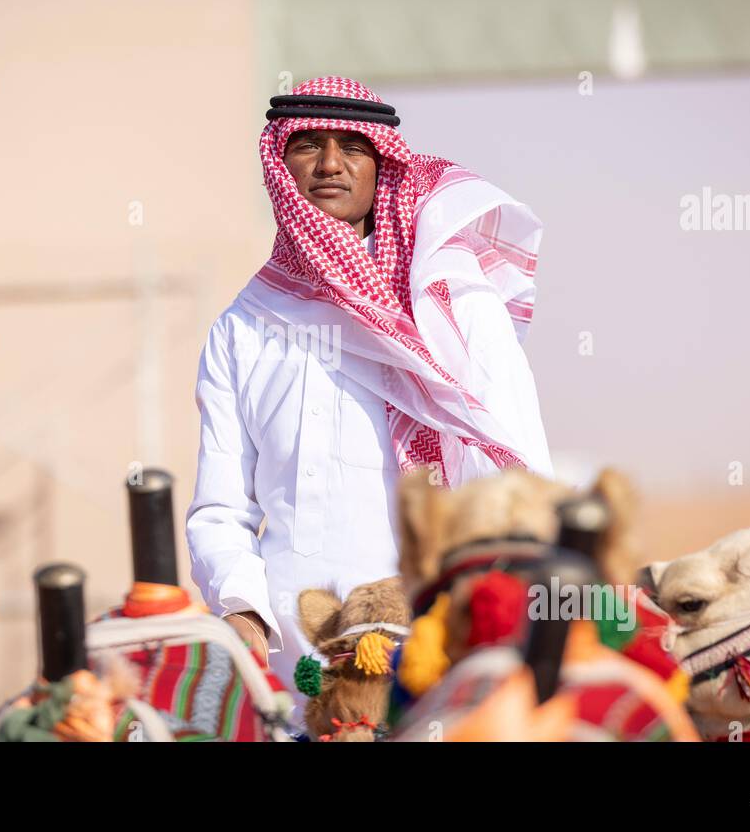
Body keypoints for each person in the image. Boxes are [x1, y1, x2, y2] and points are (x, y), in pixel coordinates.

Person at [185, 76, 553, 720]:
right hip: (294, 664)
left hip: (439, 649)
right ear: (278, 164)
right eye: (309, 145)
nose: (330, 164)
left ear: (384, 166)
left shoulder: (453, 306)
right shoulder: (242, 328)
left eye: (353, 147)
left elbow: (518, 484)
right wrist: (241, 612)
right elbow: (221, 510)